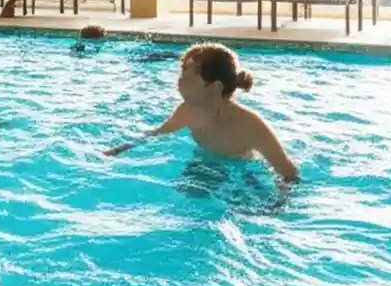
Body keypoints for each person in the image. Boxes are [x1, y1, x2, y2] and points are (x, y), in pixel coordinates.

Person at [103, 42, 299, 183]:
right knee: (187, 192)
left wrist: (278, 201)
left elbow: (289, 173)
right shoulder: (188, 111)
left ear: (215, 87)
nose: (179, 81)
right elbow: (157, 134)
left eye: (187, 77)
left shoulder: (250, 125)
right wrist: (118, 150)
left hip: (242, 172)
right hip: (204, 166)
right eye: (181, 74)